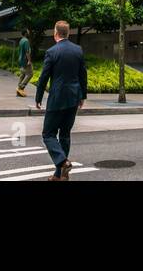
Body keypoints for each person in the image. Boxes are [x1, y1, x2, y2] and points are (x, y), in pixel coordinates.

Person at [35, 20, 87, 181]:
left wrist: (38, 97)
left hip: (57, 99)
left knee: (48, 134)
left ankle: (63, 161)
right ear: (68, 33)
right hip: (73, 98)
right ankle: (59, 174)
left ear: (55, 33)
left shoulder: (52, 52)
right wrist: (83, 96)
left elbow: (44, 77)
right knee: (65, 135)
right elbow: (83, 75)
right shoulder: (77, 50)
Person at [15, 29, 33, 98]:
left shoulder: (21, 40)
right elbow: (27, 52)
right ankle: (21, 87)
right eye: (28, 32)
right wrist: (29, 60)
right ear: (25, 33)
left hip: (21, 59)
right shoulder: (26, 41)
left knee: (22, 74)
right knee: (30, 74)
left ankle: (18, 91)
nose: (29, 32)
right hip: (25, 60)